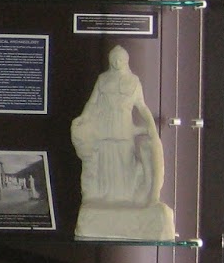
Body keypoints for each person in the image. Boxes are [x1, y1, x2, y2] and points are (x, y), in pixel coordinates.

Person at [70, 45, 163, 206]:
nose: (117, 62)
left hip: (124, 128)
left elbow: (142, 106)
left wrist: (152, 127)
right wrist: (84, 117)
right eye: (114, 59)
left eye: (120, 59)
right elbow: (92, 103)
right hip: (105, 127)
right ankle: (106, 197)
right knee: (106, 160)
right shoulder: (103, 79)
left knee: (125, 160)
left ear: (126, 60)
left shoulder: (133, 81)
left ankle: (126, 198)